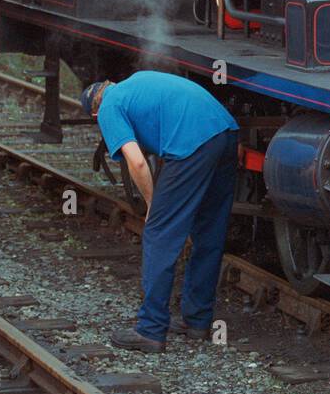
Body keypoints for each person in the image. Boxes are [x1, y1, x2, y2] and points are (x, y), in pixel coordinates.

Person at [82, 71, 239, 354]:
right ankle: (197, 321)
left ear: (95, 114)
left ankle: (151, 330)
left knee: (158, 233)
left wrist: (153, 203)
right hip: (226, 132)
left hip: (193, 143)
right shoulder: (135, 83)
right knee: (209, 230)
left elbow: (138, 164)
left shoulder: (108, 107)